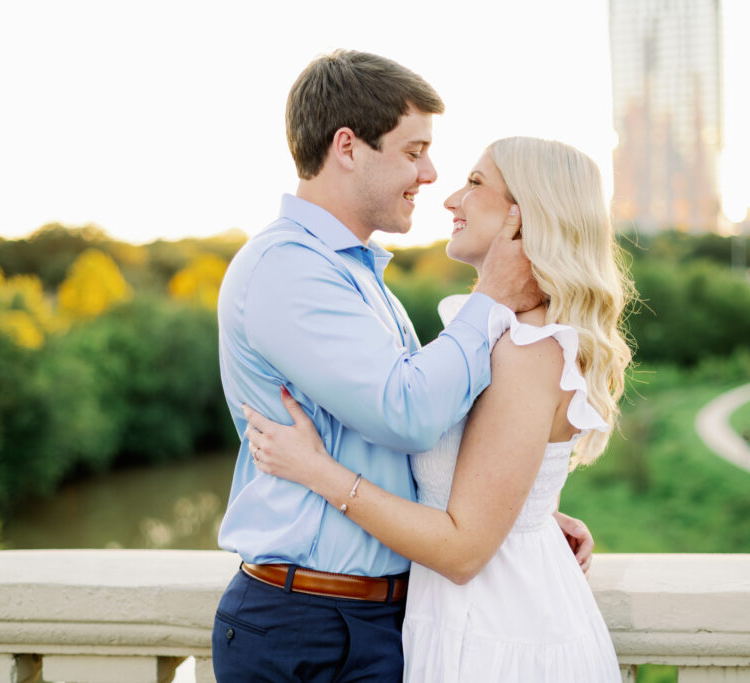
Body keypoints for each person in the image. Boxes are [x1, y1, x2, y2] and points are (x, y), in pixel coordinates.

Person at [213, 51, 596, 682]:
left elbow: (414, 434)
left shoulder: (362, 277)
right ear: (348, 146)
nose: (431, 173)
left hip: (378, 619)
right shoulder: (289, 268)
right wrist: (491, 296)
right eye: (414, 150)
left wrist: (521, 504)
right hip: (301, 621)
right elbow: (409, 415)